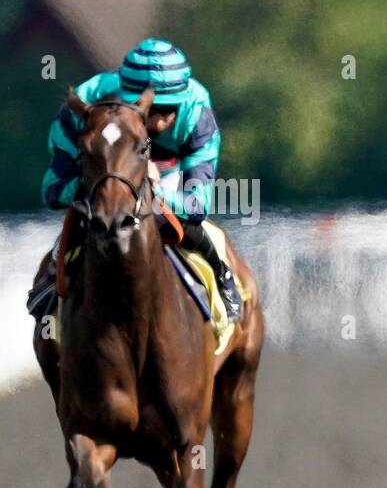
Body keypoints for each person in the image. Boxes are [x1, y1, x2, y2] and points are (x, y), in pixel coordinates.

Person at [31, 38, 240, 322]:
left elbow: (197, 204)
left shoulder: (197, 112)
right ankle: (54, 278)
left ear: (183, 101)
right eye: (151, 110)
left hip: (166, 176)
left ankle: (221, 272)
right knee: (90, 213)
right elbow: (52, 192)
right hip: (102, 175)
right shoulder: (82, 107)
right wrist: (99, 181)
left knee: (182, 221)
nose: (160, 122)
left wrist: (152, 189)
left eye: (169, 111)